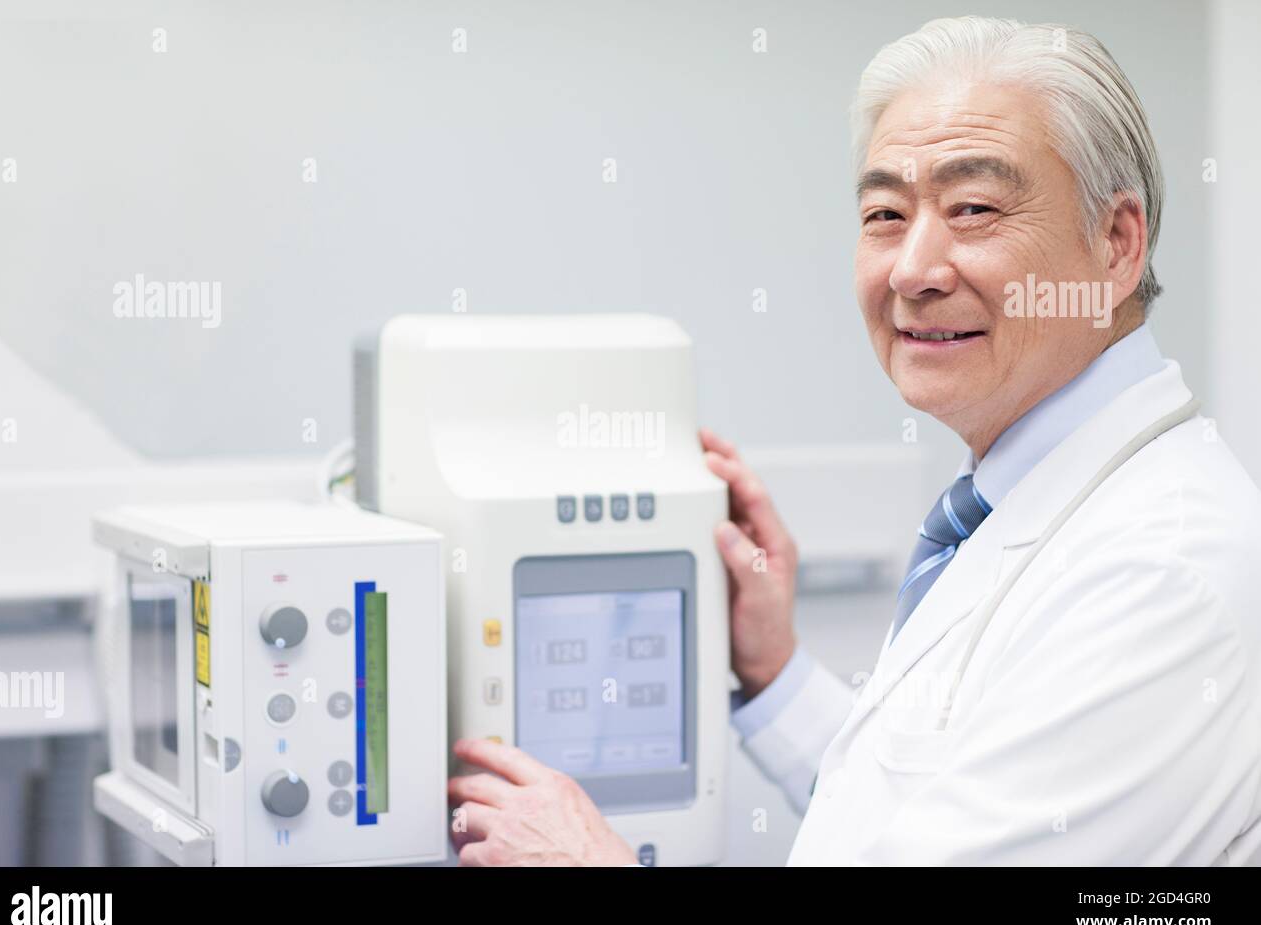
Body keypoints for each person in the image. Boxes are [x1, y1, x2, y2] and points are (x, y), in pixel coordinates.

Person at [446, 16, 1261, 865]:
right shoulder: (1019, 497)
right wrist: (773, 668)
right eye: (885, 213)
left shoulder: (1161, 574)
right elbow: (918, 821)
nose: (912, 269)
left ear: (1116, 245)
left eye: (973, 208)